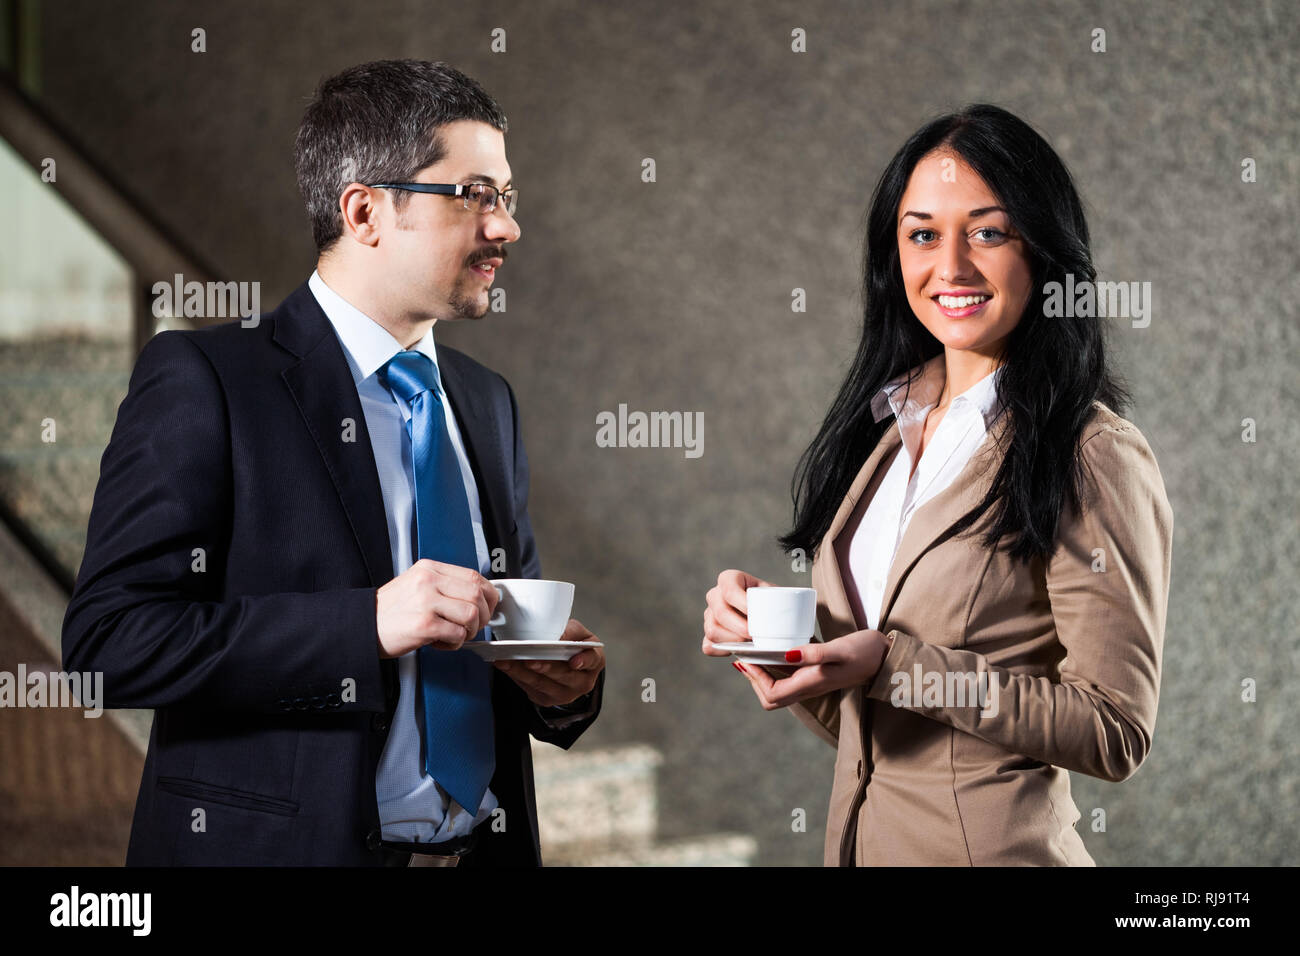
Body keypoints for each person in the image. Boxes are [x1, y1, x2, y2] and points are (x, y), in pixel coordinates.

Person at [62, 59, 605, 867]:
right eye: (475, 195)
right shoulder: (207, 381)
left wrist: (559, 686)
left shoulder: (487, 400)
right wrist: (366, 625)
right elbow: (109, 644)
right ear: (364, 211)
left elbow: (496, 637)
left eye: (507, 197)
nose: (506, 227)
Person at [702, 104, 1172, 866]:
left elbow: (1114, 730)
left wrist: (890, 661)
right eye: (923, 234)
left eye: (988, 232)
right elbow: (885, 735)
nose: (950, 266)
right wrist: (790, 656)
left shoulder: (1092, 453)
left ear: (1043, 251)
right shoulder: (886, 430)